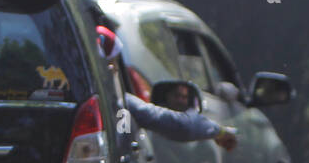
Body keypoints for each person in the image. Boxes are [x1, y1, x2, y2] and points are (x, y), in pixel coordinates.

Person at [96, 25, 237, 150]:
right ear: (106, 66)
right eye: (114, 62)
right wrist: (219, 131)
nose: (115, 70)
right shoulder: (120, 104)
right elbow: (181, 125)